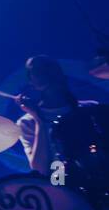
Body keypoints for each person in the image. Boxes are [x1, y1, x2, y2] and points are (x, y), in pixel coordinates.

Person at [15, 55, 104, 188]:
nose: (45, 72)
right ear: (31, 81)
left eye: (48, 68)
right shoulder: (27, 123)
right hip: (62, 183)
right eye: (37, 70)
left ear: (60, 73)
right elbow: (41, 170)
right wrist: (39, 120)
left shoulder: (89, 108)